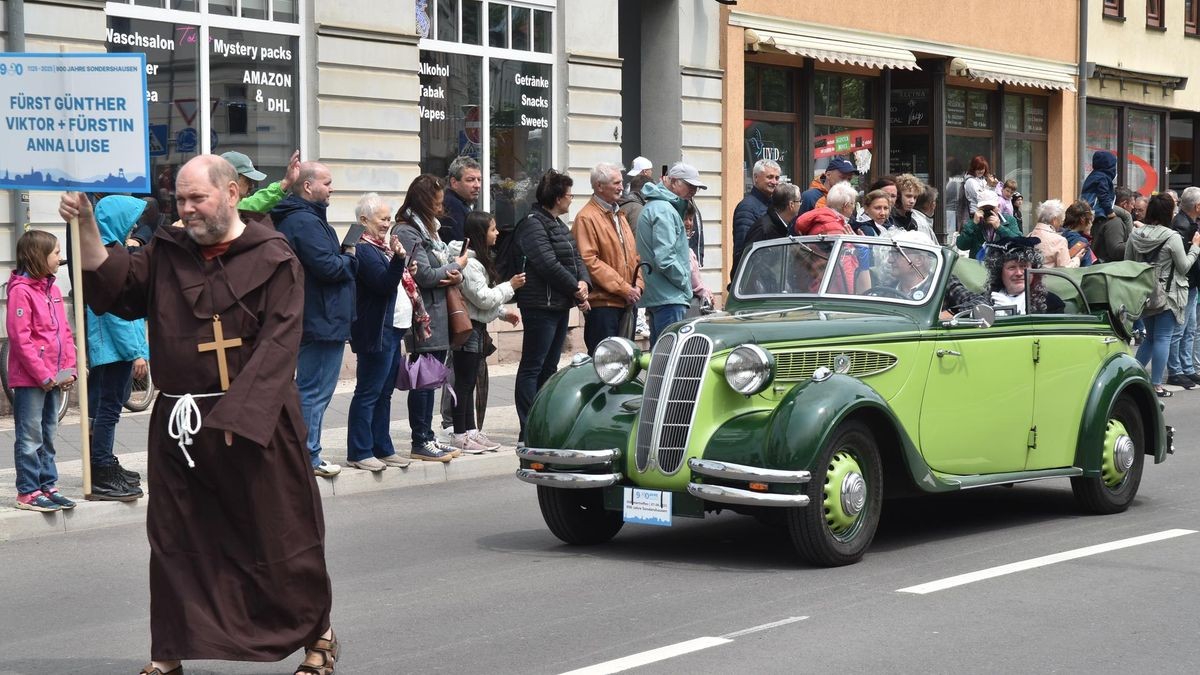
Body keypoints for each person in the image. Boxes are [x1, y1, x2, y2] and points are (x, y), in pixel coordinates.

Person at [67, 155, 337, 675]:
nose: (186, 209)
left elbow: (279, 346)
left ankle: (318, 637)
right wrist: (84, 225)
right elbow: (118, 286)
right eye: (180, 199)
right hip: (181, 427)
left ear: (232, 193)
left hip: (256, 427)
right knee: (176, 541)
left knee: (278, 534)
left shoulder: (275, 256)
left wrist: (239, 418)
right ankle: (168, 653)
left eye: (197, 198)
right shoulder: (168, 250)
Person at [272, 161, 355, 477]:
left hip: (320, 317)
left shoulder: (305, 218)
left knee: (310, 390)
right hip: (321, 319)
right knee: (315, 391)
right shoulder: (304, 222)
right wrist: (350, 258)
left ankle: (304, 455)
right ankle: (308, 457)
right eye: (327, 183)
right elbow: (328, 267)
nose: (332, 188)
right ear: (308, 186)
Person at [346, 192, 422, 472]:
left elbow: (393, 278)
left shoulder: (381, 248)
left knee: (384, 392)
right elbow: (382, 284)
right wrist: (399, 260)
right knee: (369, 391)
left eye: (389, 218)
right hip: (376, 331)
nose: (387, 223)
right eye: (382, 219)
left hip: (393, 329)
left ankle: (383, 448)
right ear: (364, 220)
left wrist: (403, 264)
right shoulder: (364, 249)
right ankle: (360, 451)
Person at [394, 174, 468, 461]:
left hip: (437, 313)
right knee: (423, 380)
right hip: (424, 317)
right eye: (436, 202)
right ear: (423, 202)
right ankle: (420, 439)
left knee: (433, 378)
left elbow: (439, 271)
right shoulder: (408, 230)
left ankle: (428, 435)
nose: (441, 207)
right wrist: (456, 265)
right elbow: (424, 275)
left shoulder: (429, 229)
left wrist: (455, 273)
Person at [513, 169, 590, 442]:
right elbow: (547, 264)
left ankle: (544, 423)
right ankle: (528, 427)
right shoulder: (533, 224)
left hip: (558, 304)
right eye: (569, 194)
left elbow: (576, 257)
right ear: (557, 198)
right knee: (532, 366)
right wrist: (575, 289)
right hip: (539, 305)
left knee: (550, 367)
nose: (571, 199)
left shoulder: (557, 223)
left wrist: (584, 282)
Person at [6, 230, 77, 512]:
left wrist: (68, 368)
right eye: (56, 253)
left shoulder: (53, 290)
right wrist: (43, 375)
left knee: (48, 433)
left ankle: (48, 485)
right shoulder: (21, 292)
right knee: (30, 435)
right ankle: (27, 491)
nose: (60, 258)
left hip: (54, 378)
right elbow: (21, 339)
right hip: (32, 380)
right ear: (39, 256)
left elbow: (64, 333)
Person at [86, 196, 151, 501]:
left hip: (116, 349)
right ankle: (101, 468)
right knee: (109, 409)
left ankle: (105, 461)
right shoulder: (109, 259)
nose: (134, 228)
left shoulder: (112, 252)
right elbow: (118, 314)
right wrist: (136, 353)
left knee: (110, 407)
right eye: (131, 222)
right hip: (115, 350)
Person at [448, 212, 524, 452]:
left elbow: (481, 299)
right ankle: (459, 435)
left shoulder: (476, 260)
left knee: (470, 381)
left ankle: (471, 431)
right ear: (481, 234)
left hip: (476, 327)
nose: (497, 233)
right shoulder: (470, 264)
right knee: (464, 382)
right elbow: (482, 298)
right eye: (492, 229)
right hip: (467, 329)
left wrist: (502, 313)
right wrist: (510, 286)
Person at [1125, 193, 1200, 397]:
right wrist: (1195, 248)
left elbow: (1128, 264)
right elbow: (1184, 267)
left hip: (1144, 293)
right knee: (1163, 338)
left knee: (1150, 339)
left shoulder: (1135, 235)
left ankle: (1132, 377)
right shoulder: (1171, 236)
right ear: (1168, 213)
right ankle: (1156, 384)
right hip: (1168, 294)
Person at [573, 162, 642, 355]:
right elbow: (589, 261)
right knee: (604, 364)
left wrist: (638, 285)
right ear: (599, 186)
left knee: (625, 362)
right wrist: (624, 288)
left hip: (627, 303)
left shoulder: (619, 214)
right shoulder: (586, 217)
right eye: (616, 182)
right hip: (604, 306)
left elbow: (635, 255)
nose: (621, 187)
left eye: (621, 182)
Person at [637, 162, 706, 345]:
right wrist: (685, 282)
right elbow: (665, 258)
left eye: (696, 187)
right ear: (674, 182)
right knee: (669, 353)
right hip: (668, 297)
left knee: (661, 351)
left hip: (663, 295)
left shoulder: (660, 207)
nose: (693, 191)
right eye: (690, 185)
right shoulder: (664, 210)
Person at [1167, 186, 1200, 389]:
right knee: (1179, 329)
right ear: (1197, 206)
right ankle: (1175, 371)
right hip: (1184, 283)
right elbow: (1184, 260)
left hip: (1191, 283)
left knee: (1190, 329)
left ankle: (1186, 368)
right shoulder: (1181, 225)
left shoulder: (1188, 223)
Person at [983, 236, 1064, 315]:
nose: (1018, 273)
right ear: (999, 272)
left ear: (1034, 270)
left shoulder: (1052, 303)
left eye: (1024, 266)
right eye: (1012, 267)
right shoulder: (984, 302)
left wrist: (1015, 314)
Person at [737, 183, 801, 273]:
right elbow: (752, 266)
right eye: (799, 201)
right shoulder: (764, 230)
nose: (800, 204)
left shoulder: (780, 225)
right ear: (791, 205)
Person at [732, 159, 780, 266]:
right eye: (770, 177)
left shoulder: (773, 204)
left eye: (777, 178)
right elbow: (744, 249)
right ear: (756, 178)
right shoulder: (747, 207)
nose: (774, 182)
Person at [955, 189, 1020, 258]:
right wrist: (973, 225)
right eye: (984, 209)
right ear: (978, 209)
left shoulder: (1009, 220)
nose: (988, 212)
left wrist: (1000, 228)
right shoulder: (973, 223)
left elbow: (1019, 243)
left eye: (991, 208)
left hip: (1001, 263)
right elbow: (962, 246)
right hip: (978, 263)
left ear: (998, 206)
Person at [439, 156, 482, 243]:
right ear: (454, 182)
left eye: (479, 179)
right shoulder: (452, 206)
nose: (477, 185)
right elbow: (459, 245)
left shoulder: (458, 201)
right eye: (470, 180)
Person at [1030, 199, 1078, 269]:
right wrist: (1077, 259)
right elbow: (1066, 270)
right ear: (1054, 220)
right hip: (1050, 276)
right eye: (1061, 221)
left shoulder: (1029, 236)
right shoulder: (1059, 241)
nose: (1061, 225)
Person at [958, 155, 993, 227]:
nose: (981, 171)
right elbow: (981, 198)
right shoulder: (970, 181)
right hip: (975, 213)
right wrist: (989, 186)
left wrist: (993, 186)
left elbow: (992, 196)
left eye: (982, 169)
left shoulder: (982, 179)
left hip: (984, 213)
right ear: (973, 168)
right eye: (978, 169)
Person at [1081, 150, 1117, 219]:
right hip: (1098, 213)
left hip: (1087, 211)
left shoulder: (1093, 175)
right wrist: (1109, 211)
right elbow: (1103, 195)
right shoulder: (1102, 178)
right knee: (1124, 216)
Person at [1060, 200, 1096, 267]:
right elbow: (1087, 268)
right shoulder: (1081, 242)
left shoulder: (1063, 235)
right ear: (1083, 219)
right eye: (1091, 220)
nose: (1091, 224)